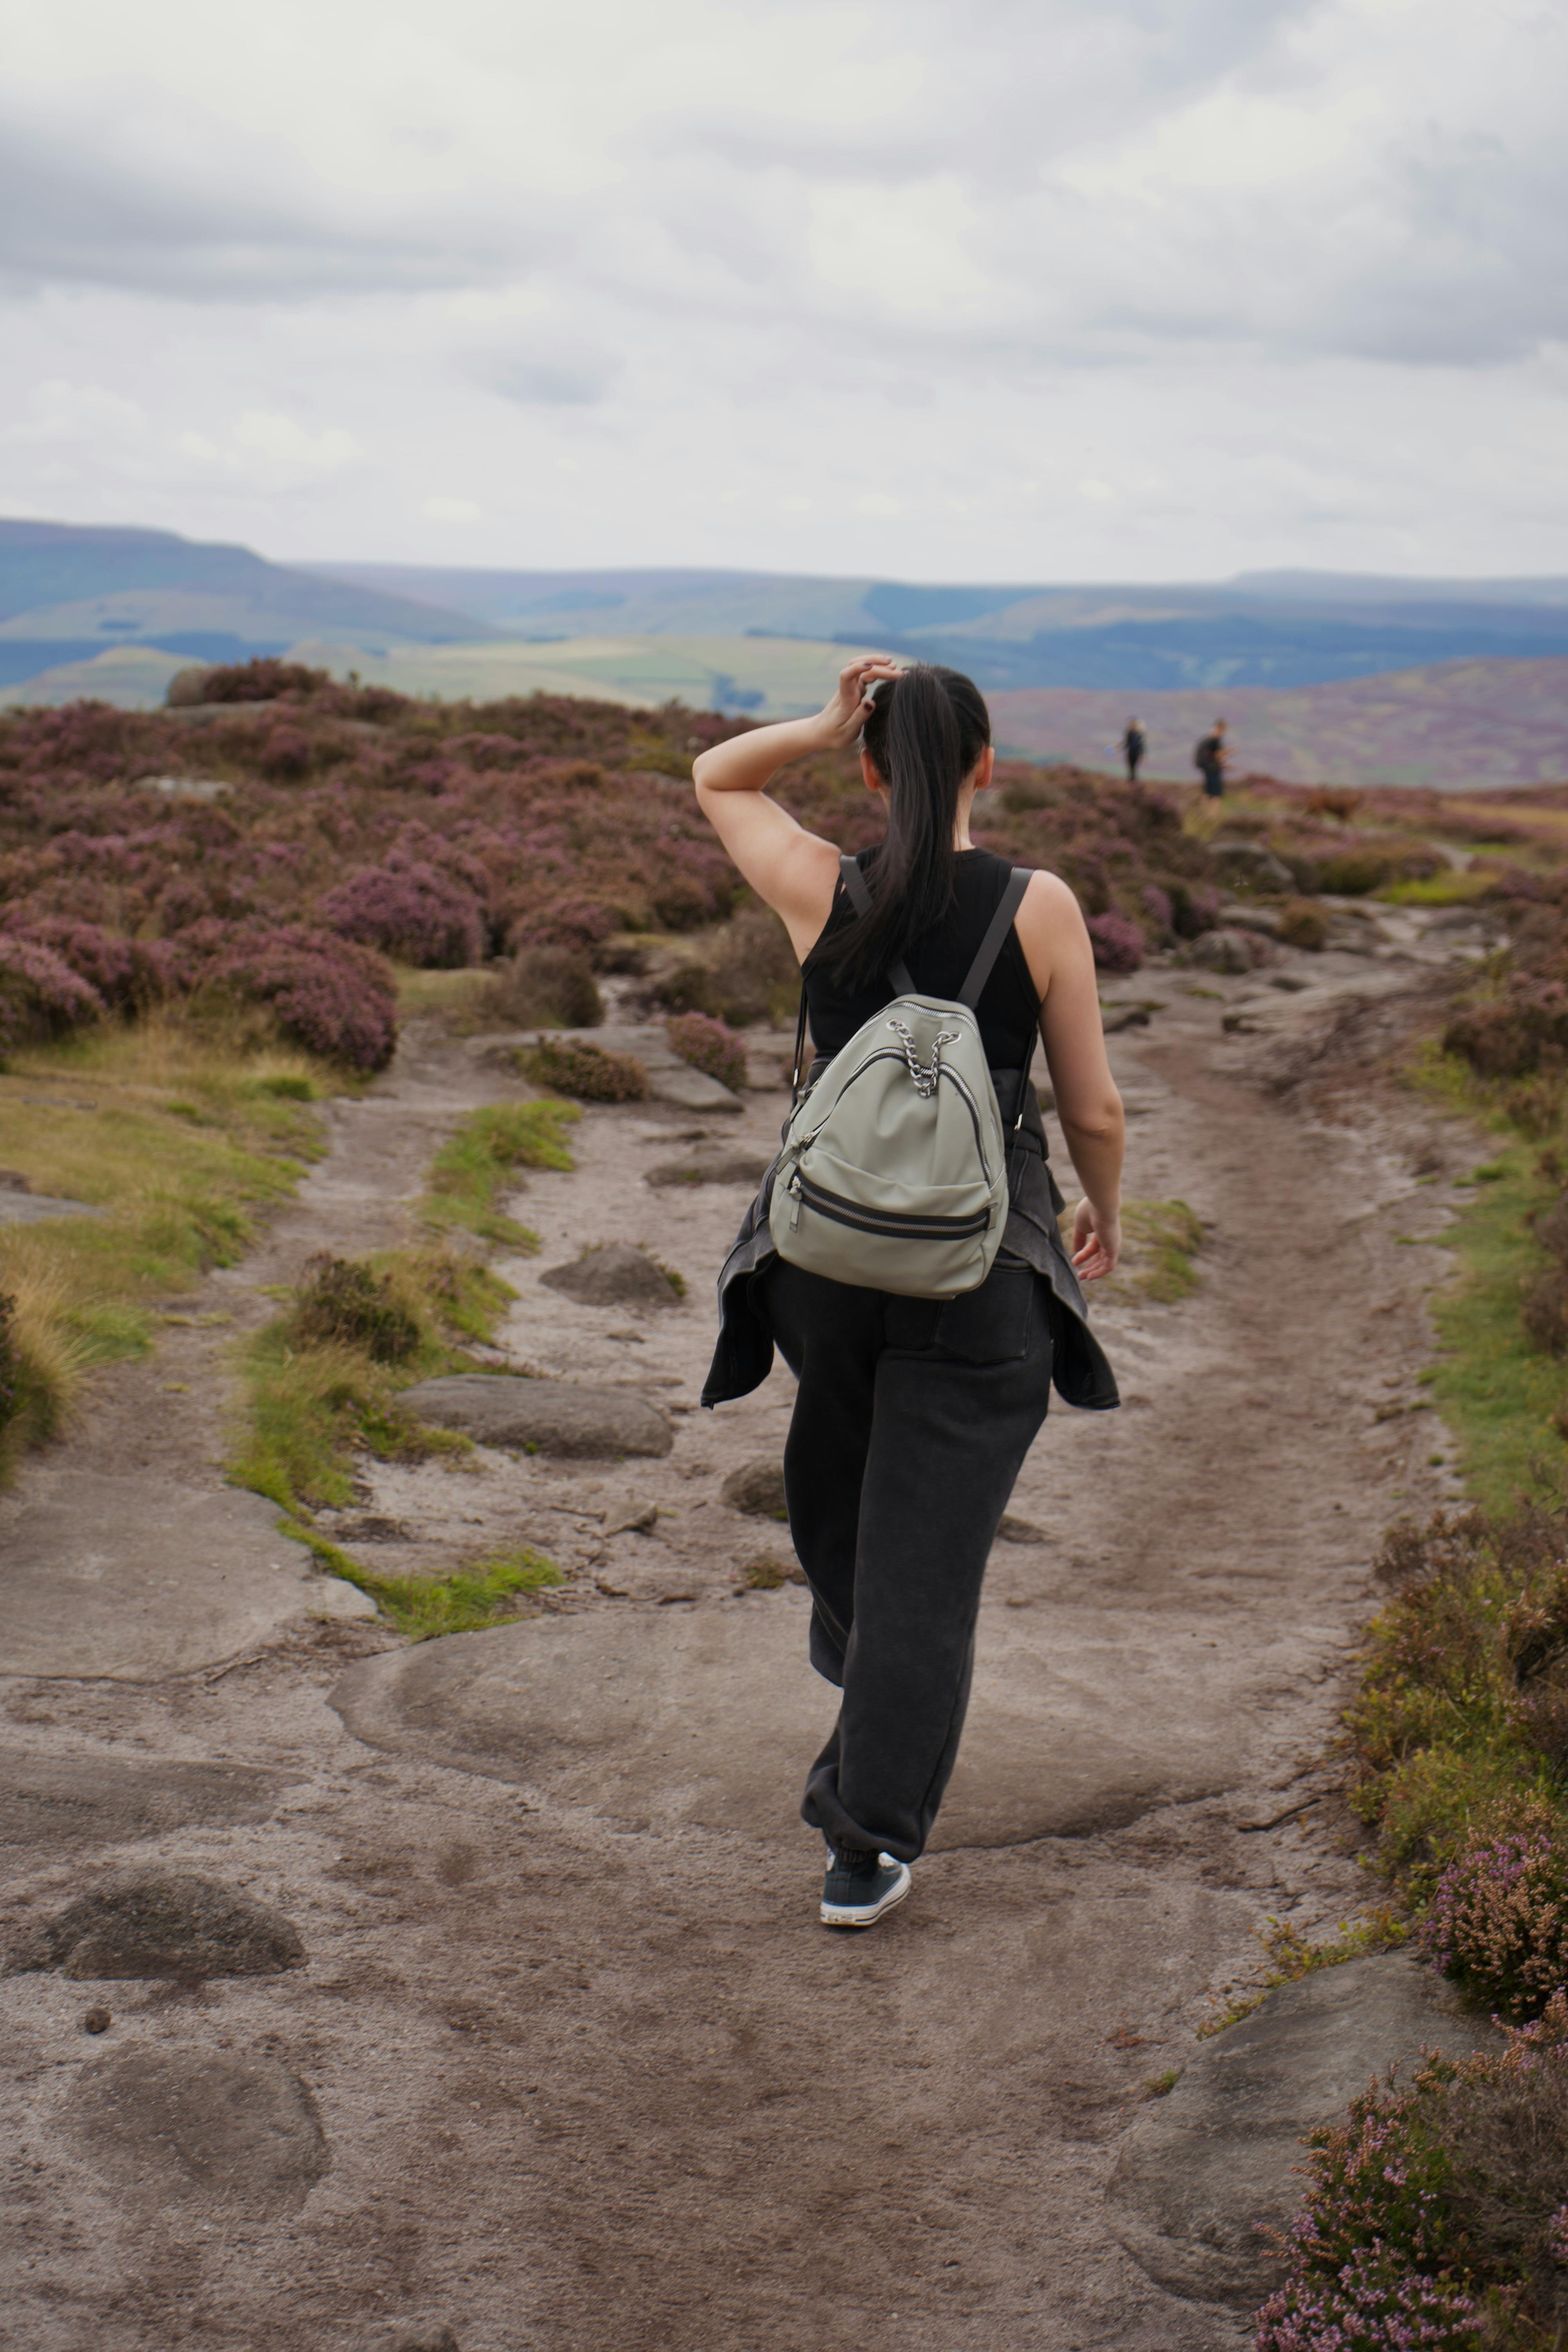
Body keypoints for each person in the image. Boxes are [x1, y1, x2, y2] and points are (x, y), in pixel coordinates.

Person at [693, 658, 1123, 1931]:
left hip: (820, 1262)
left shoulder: (822, 885)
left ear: (873, 770)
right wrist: (1106, 1206)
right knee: (925, 1568)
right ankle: (866, 1844)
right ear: (987, 765)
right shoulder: (1038, 905)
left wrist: (823, 724)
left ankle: (867, 1662)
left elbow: (719, 776)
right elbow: (1091, 1103)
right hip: (979, 1272)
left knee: (844, 1501)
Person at [1194, 719, 1227, 798]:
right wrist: (1229, 752)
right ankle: (1214, 811)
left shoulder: (1207, 739)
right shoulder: (1215, 740)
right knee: (1216, 795)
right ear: (1221, 728)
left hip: (1207, 768)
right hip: (1214, 769)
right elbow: (1218, 755)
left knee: (1207, 793)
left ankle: (1205, 810)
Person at [1122, 717, 1146, 782]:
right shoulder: (1130, 733)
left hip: (1137, 753)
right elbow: (1127, 744)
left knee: (1134, 768)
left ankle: (1133, 782)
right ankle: (1131, 782)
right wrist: (1119, 747)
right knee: (1131, 768)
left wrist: (1142, 754)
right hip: (1131, 753)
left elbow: (1142, 745)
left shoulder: (1140, 734)